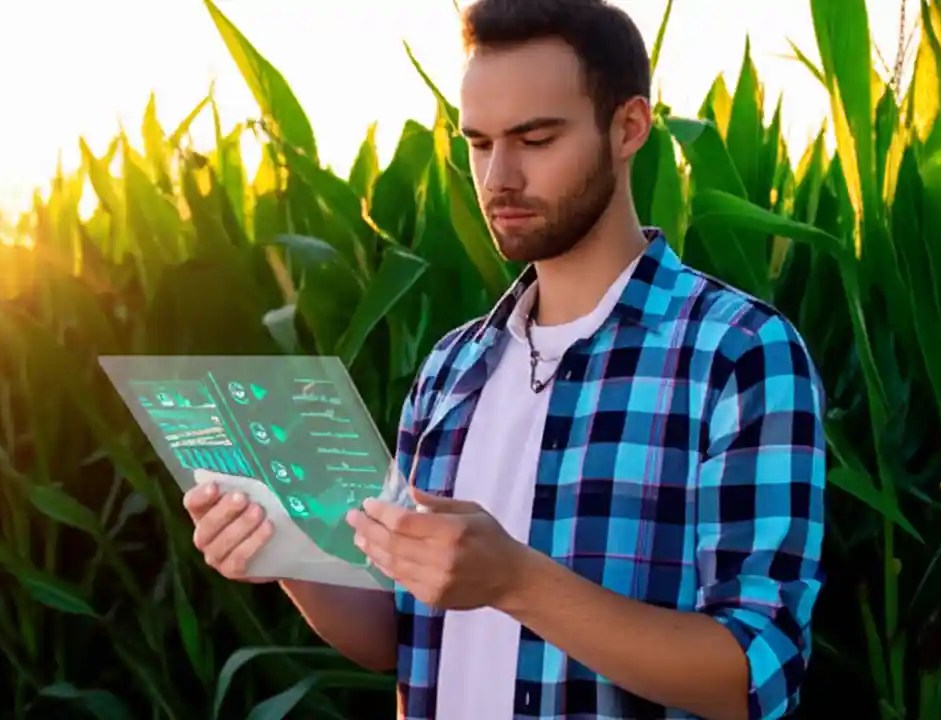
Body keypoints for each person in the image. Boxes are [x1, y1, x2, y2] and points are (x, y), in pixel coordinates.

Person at [182, 0, 827, 718]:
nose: (498, 178)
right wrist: (285, 551)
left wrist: (516, 580)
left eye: (536, 139)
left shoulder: (736, 352)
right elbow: (401, 636)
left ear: (629, 128)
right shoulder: (452, 369)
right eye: (480, 143)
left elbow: (756, 674)